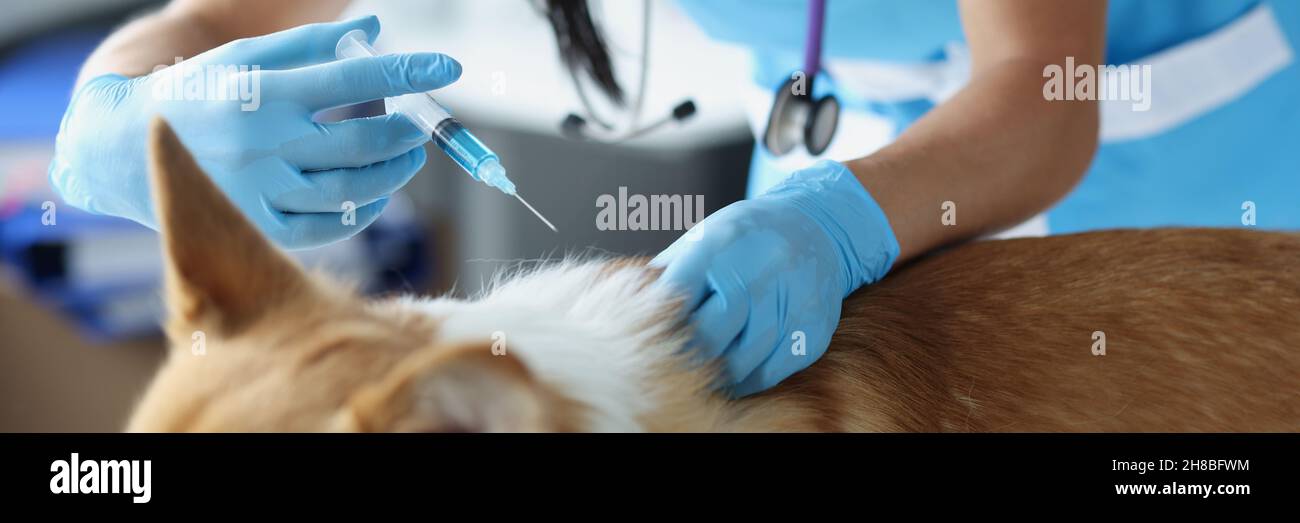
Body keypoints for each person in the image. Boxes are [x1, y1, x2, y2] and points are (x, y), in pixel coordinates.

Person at [51, 0, 1300, 397]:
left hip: (1193, 170)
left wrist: (840, 222)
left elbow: (1040, 88)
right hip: (835, 159)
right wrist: (114, 124)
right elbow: (204, 22)